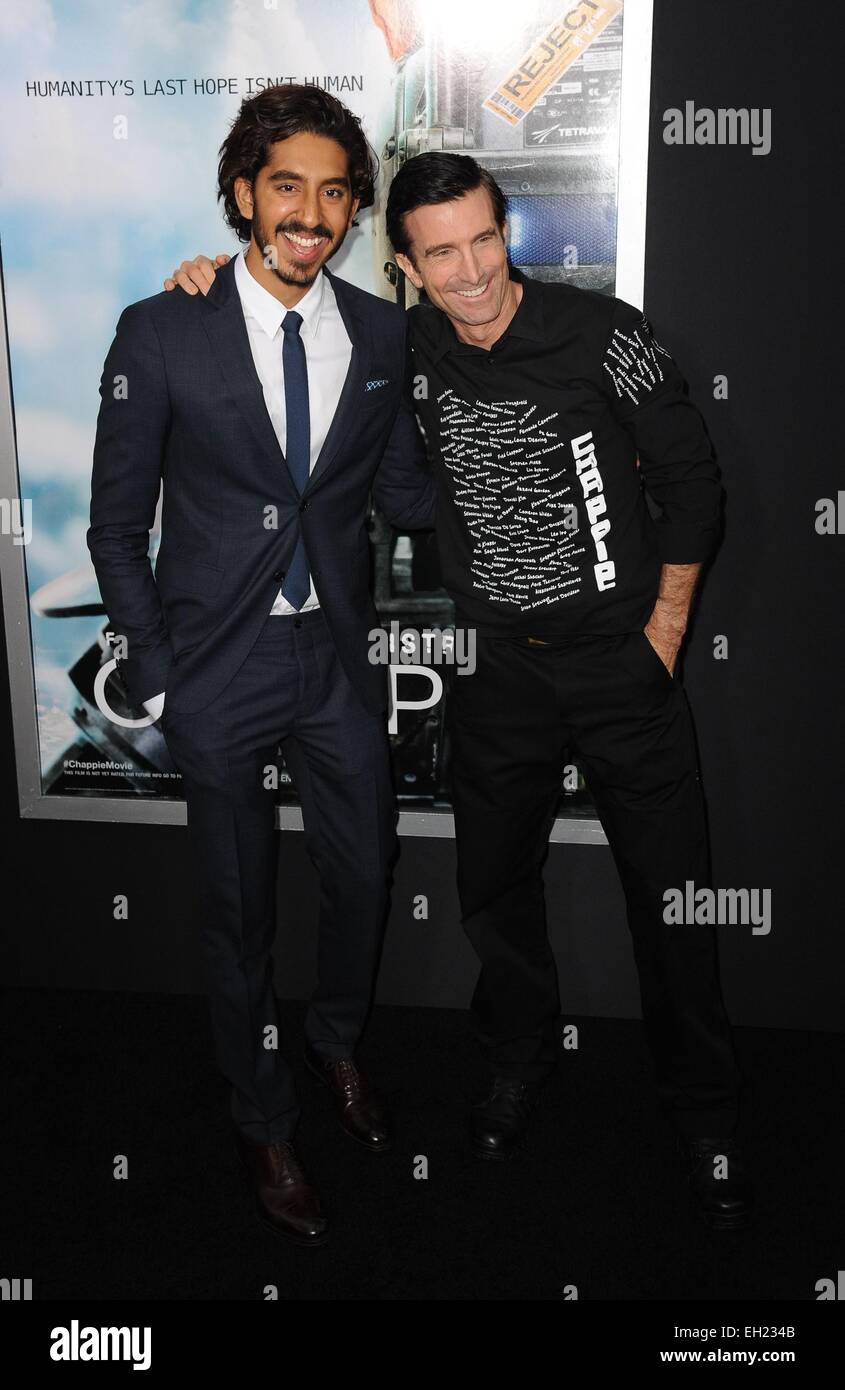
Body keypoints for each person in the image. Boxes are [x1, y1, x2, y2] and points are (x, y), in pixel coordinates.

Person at [166, 150, 752, 1230]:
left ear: (506, 231)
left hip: (622, 664)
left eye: (485, 239)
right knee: (493, 896)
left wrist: (664, 633)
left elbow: (689, 481)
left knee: (669, 901)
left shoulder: (602, 334)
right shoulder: (406, 343)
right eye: (442, 253)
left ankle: (703, 1111)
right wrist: (211, 275)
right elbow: (288, 310)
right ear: (406, 265)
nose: (472, 270)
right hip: (497, 672)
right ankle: (517, 1063)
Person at [87, 85, 436, 1248]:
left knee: (363, 873)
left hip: (333, 659)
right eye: (286, 184)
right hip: (217, 668)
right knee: (238, 914)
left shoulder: (382, 333)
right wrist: (167, 674)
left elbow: (400, 497)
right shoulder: (161, 327)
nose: (313, 212)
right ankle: (262, 1115)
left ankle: (335, 1045)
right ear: (243, 192)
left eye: (335, 192)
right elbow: (113, 525)